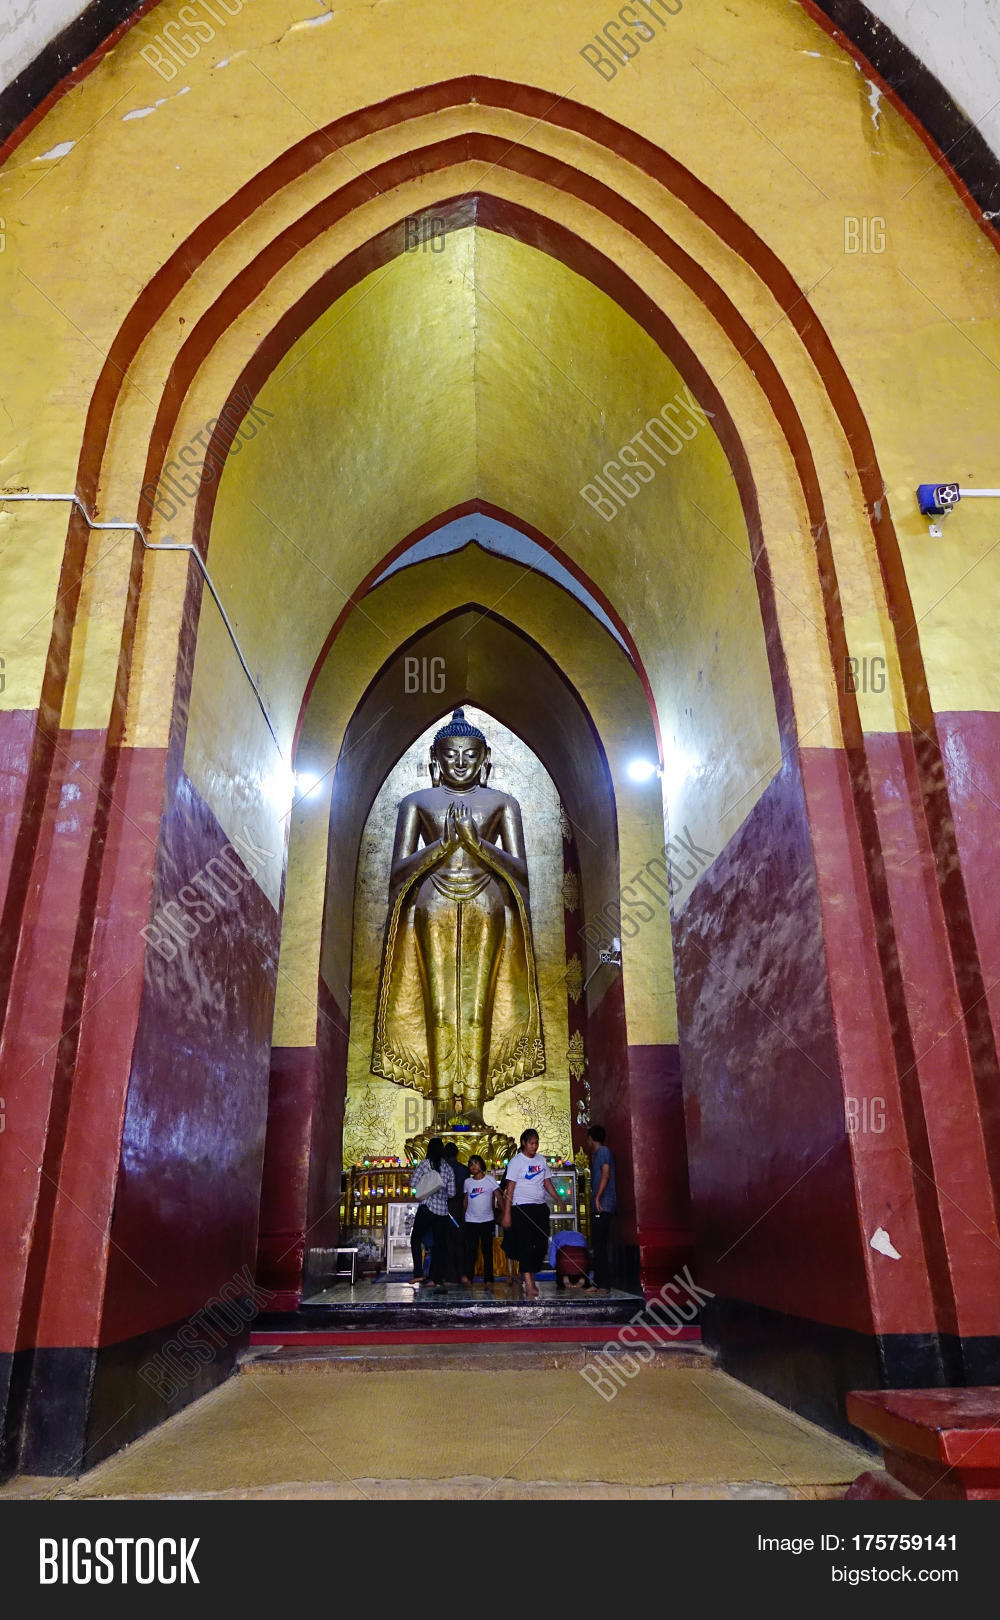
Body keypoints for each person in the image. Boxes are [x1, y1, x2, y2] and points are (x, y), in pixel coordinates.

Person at [501, 1129, 557, 1300]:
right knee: (525, 1245)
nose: (534, 1146)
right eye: (531, 1143)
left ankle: (530, 1276)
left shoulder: (541, 1161)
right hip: (521, 1208)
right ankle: (529, 1283)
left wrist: (558, 1199)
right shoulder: (516, 1162)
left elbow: (547, 1183)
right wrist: (507, 1213)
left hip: (539, 1208)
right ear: (524, 1143)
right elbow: (510, 1189)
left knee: (540, 1245)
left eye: (536, 1143)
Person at [410, 1137, 456, 1289]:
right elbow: (452, 1193)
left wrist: (426, 1185)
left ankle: (418, 1273)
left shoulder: (424, 1164)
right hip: (442, 1211)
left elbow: (413, 1183)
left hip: (427, 1207)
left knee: (416, 1238)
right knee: (439, 1245)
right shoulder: (448, 1168)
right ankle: (436, 1279)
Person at [461, 1155, 500, 1285]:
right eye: (471, 1164)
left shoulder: (490, 1180)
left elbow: (499, 1197)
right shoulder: (468, 1182)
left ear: (481, 1164)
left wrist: (504, 1211)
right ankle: (469, 1276)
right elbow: (465, 1200)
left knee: (487, 1251)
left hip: (487, 1220)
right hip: (471, 1221)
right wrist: (467, 1214)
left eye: (476, 1163)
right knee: (471, 1250)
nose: (473, 1166)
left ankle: (488, 1279)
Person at [586, 1124, 616, 1290]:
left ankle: (602, 1285)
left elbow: (606, 1174)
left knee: (600, 1245)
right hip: (600, 1203)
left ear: (591, 1139)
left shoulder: (603, 1152)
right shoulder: (597, 1154)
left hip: (603, 1204)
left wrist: (598, 1197)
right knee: (598, 1245)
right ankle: (599, 1283)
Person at [443, 1142, 469, 1282]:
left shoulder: (442, 1169)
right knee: (460, 1240)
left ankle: (450, 1274)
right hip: (460, 1207)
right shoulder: (464, 1169)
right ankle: (462, 1273)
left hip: (445, 1206)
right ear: (458, 1153)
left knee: (447, 1241)